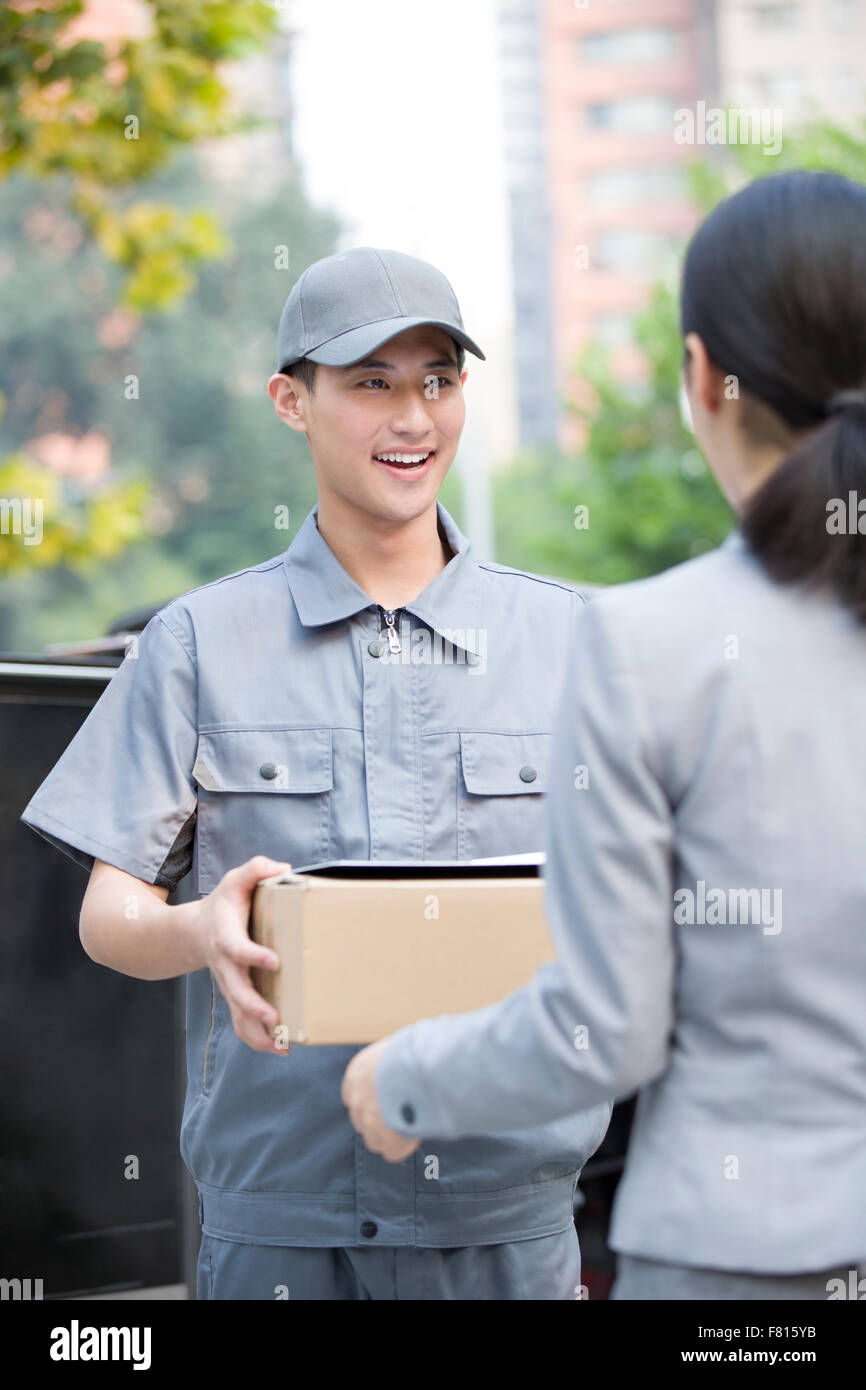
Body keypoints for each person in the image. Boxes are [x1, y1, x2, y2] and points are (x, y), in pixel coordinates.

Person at [20, 246, 611, 1301]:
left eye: (437, 380)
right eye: (372, 382)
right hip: (280, 1238)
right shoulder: (197, 643)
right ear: (291, 401)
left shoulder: (570, 643)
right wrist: (201, 931)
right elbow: (109, 917)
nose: (413, 418)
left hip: (506, 1232)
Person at [343, 172, 866, 1300]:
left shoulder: (647, 642)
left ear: (703, 377)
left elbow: (605, 1026)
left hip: (744, 1266)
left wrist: (405, 1077)